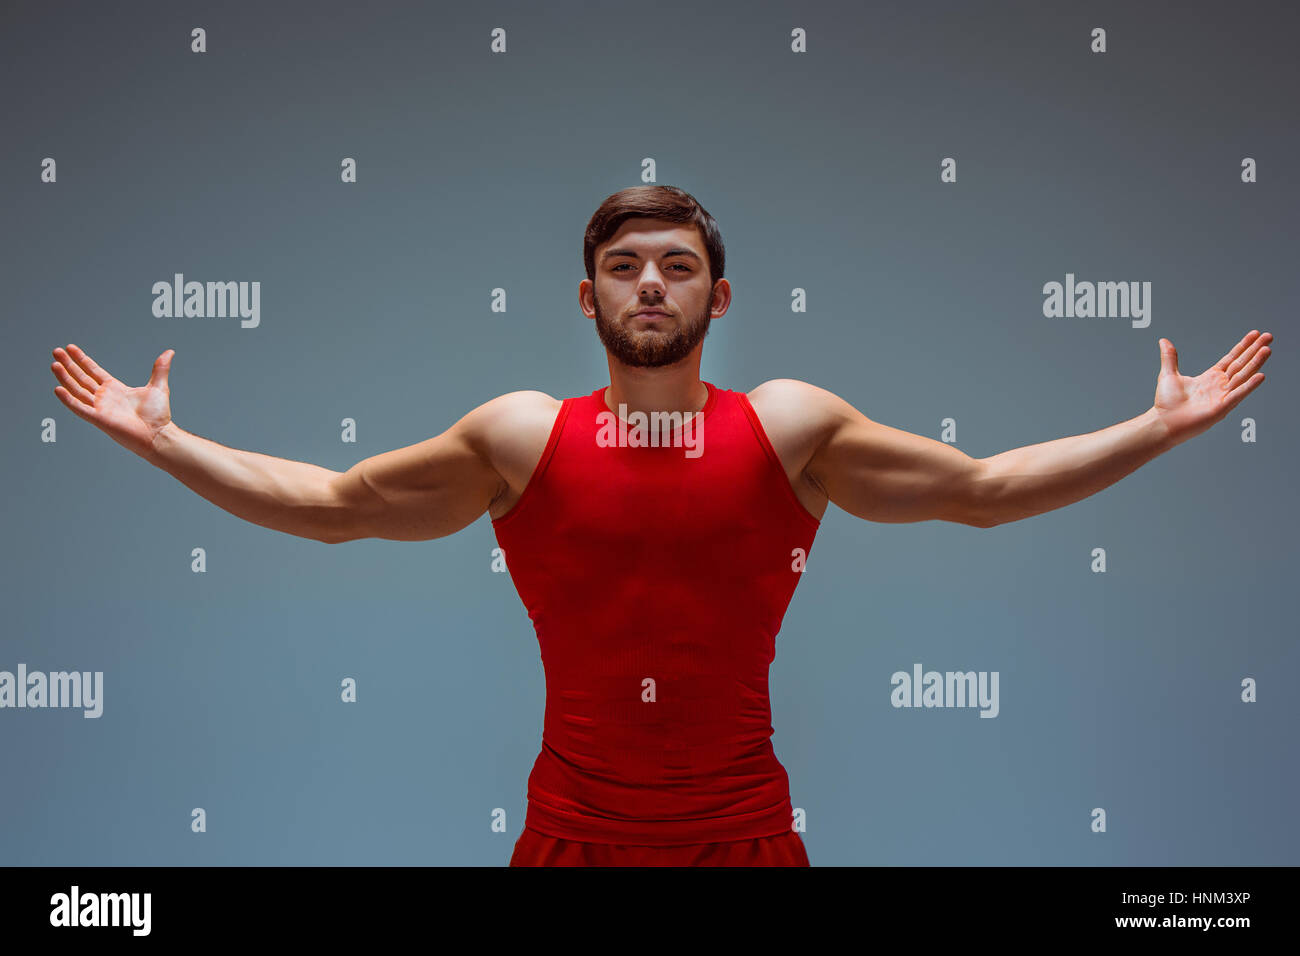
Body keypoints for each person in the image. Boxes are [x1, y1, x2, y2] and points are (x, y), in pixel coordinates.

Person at [49, 185, 1273, 867]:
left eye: (677, 265)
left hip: (743, 840)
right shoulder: (521, 437)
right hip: (567, 839)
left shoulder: (790, 428)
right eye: (626, 265)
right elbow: (329, 506)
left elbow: (987, 489)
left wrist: (1153, 429)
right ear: (588, 296)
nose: (650, 283)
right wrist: (165, 443)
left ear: (718, 293)